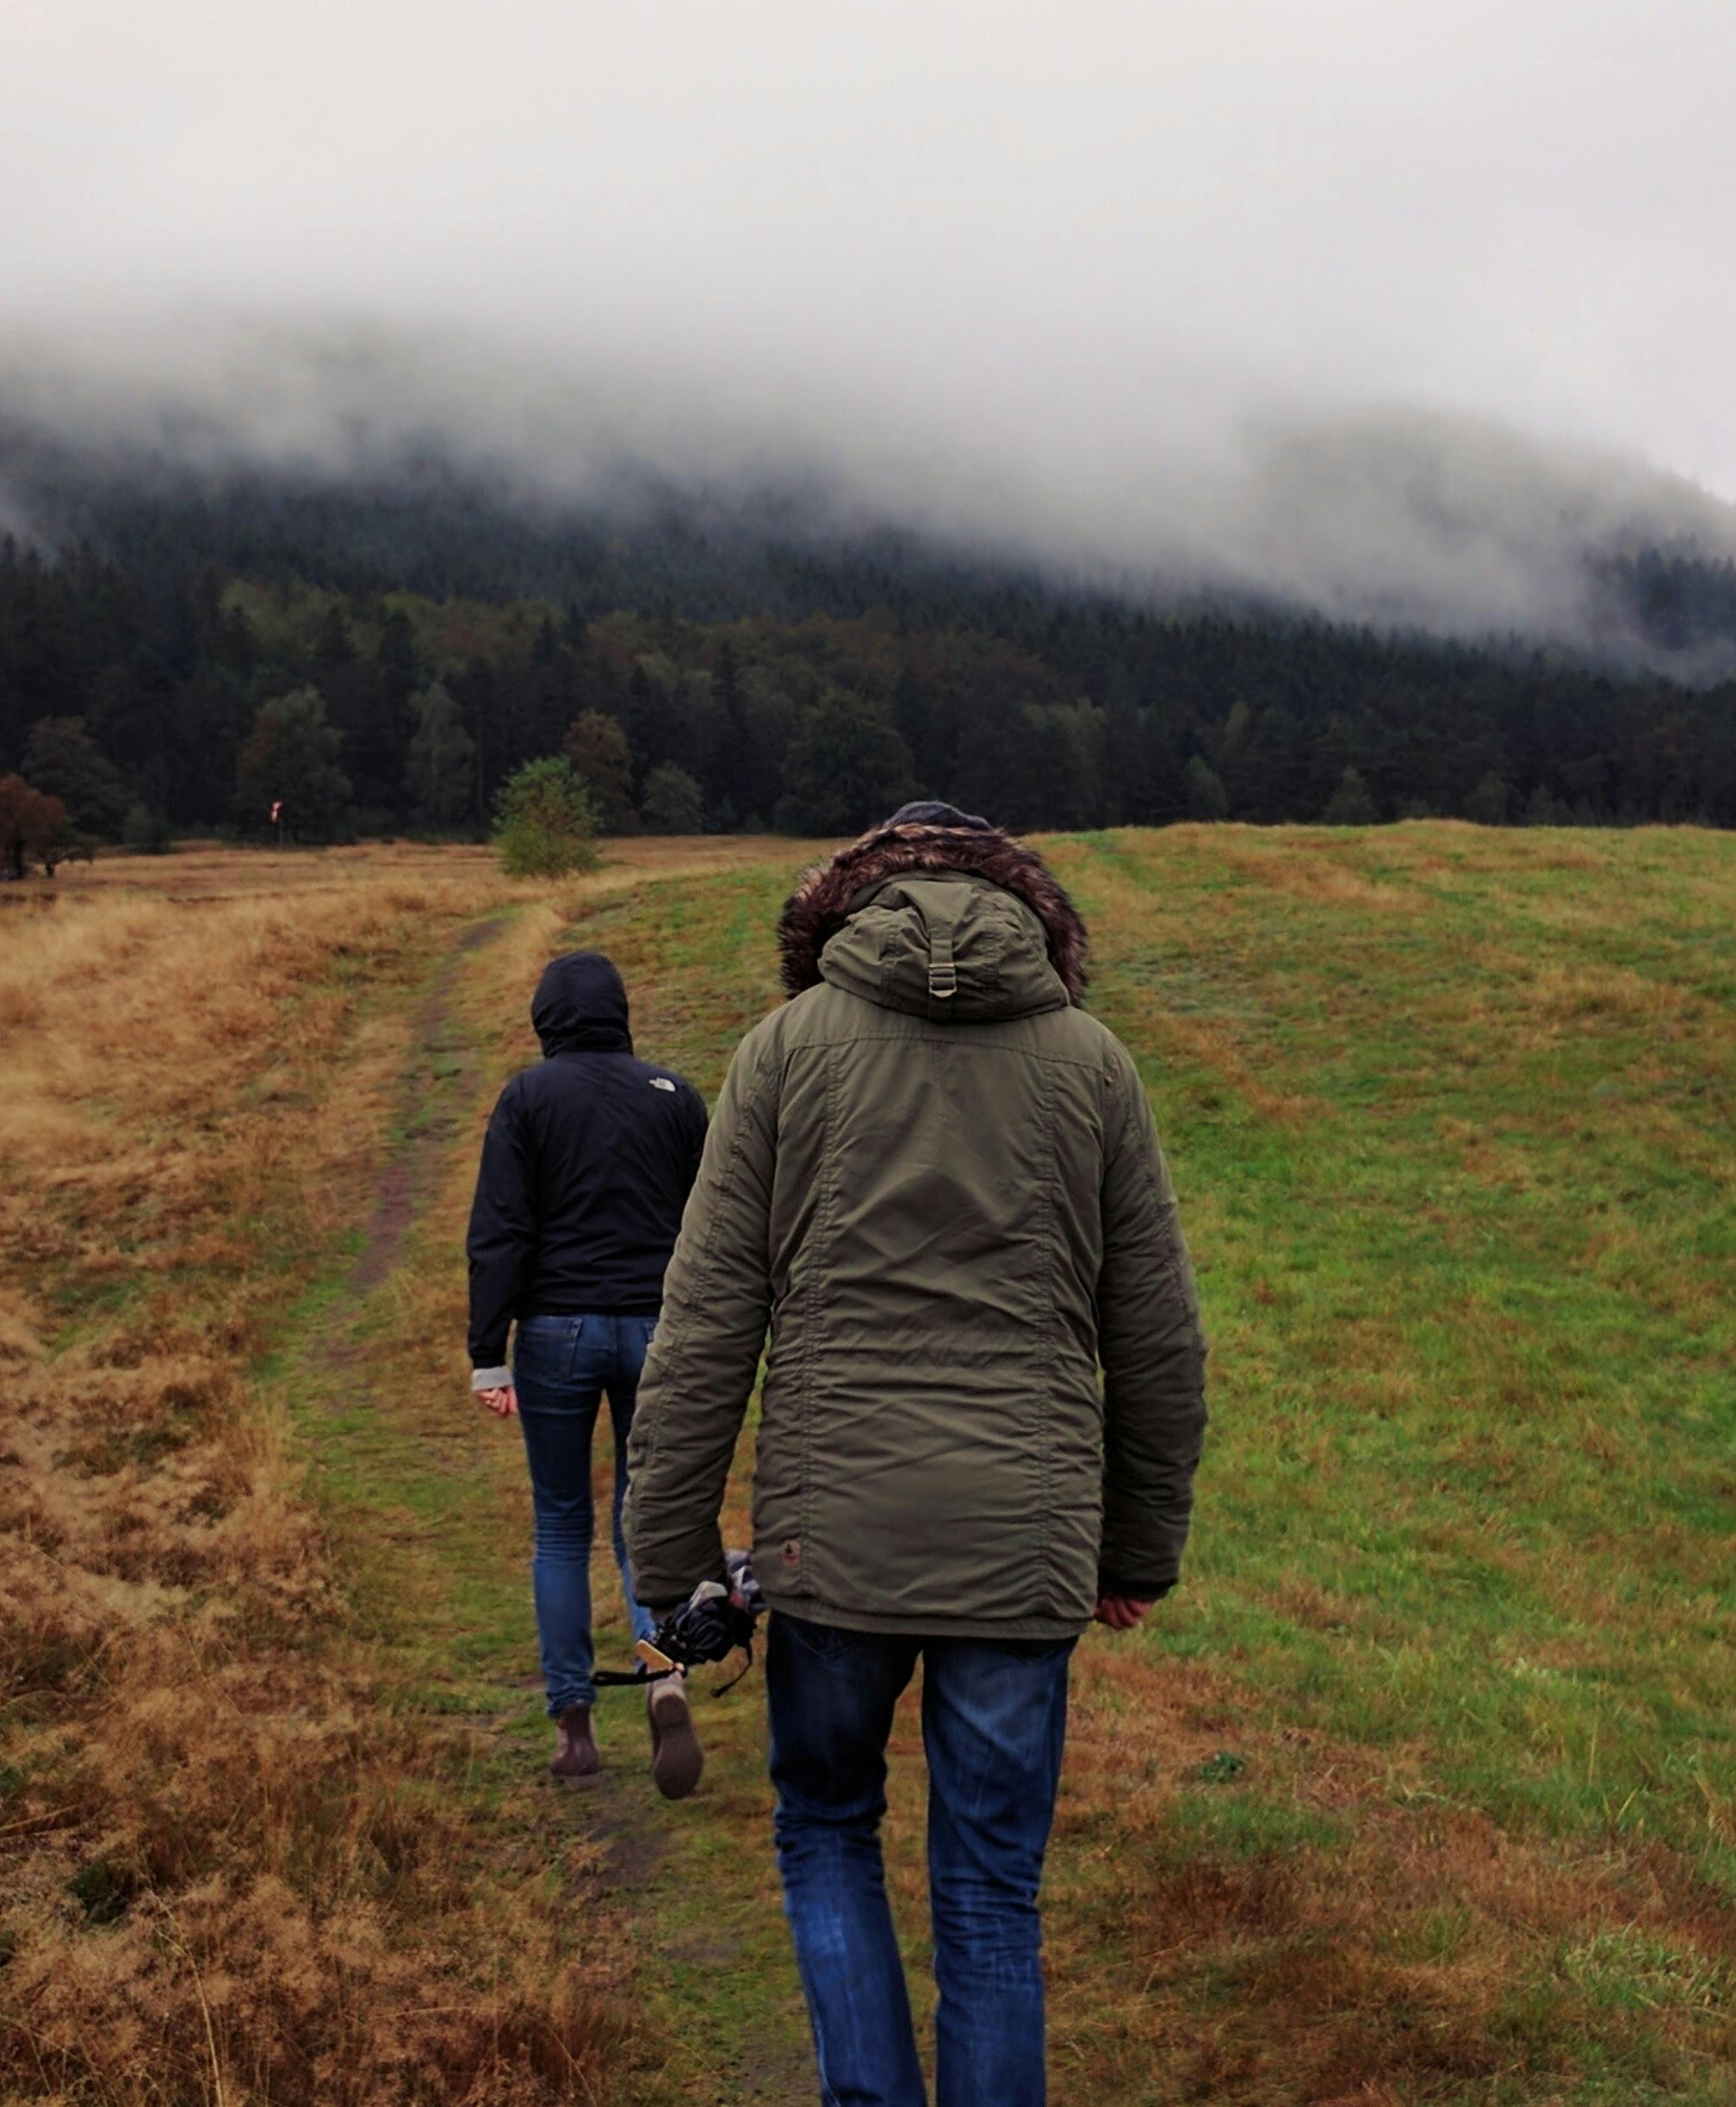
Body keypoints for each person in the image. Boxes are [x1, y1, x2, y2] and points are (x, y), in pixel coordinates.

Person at [623, 804, 1209, 2107]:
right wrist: (1135, 1553)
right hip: (1024, 1545)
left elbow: (706, 1324)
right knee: (993, 1893)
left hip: (832, 1548)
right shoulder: (1093, 1065)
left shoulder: (784, 1052)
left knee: (828, 1831)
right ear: (1030, 912)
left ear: (845, 908)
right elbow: (1162, 1340)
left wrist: (668, 1563)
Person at [465, 949, 711, 1780]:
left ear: (547, 1021)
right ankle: (661, 1673)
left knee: (562, 1524)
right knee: (648, 1520)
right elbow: (716, 1222)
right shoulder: (674, 1097)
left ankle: (573, 1724)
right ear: (620, 1013)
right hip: (660, 1331)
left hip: (555, 1335)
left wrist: (486, 1355)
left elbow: (501, 1228)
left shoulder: (528, 1098)